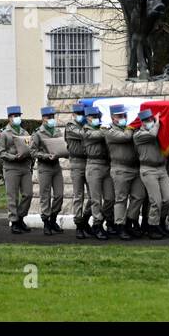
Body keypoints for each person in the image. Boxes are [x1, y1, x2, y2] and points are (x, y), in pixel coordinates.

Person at [134, 107, 169, 239]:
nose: (150, 121)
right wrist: (158, 121)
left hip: (161, 169)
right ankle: (152, 227)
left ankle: (159, 222)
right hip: (148, 170)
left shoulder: (158, 131)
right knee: (155, 201)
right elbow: (152, 134)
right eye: (146, 120)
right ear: (142, 122)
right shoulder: (139, 135)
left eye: (151, 119)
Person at [104, 103, 145, 239]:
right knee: (121, 199)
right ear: (112, 117)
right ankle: (120, 226)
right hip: (120, 169)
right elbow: (126, 137)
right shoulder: (110, 131)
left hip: (135, 168)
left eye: (124, 115)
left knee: (138, 196)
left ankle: (130, 221)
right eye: (119, 116)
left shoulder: (131, 130)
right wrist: (131, 127)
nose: (122, 118)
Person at [0, 106, 35, 234]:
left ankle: (20, 217)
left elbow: (29, 148)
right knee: (12, 196)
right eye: (15, 116)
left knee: (28, 194)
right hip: (11, 167)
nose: (17, 118)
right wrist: (13, 157)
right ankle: (14, 221)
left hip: (24, 167)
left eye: (19, 115)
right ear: (9, 118)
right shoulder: (4, 133)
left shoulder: (24, 133)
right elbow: (0, 152)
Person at [33, 106, 65, 235]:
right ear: (43, 119)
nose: (51, 119)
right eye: (49, 117)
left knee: (59, 195)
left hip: (56, 166)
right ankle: (46, 222)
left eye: (53, 117)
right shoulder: (38, 133)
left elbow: (62, 146)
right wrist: (46, 156)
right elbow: (32, 151)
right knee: (45, 195)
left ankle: (53, 218)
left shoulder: (57, 132)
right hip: (45, 167)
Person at [83, 106, 114, 240]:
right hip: (93, 165)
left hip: (106, 165)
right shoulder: (86, 130)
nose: (96, 119)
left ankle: (100, 220)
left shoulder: (102, 129)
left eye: (98, 117)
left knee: (110, 198)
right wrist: (108, 128)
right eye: (94, 117)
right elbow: (98, 135)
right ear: (88, 118)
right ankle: (97, 224)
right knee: (95, 199)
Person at [65, 103, 90, 237]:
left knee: (94, 196)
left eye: (83, 114)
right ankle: (79, 225)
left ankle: (85, 219)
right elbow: (84, 135)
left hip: (89, 161)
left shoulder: (85, 126)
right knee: (78, 195)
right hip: (76, 162)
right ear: (73, 115)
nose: (81, 116)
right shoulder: (70, 126)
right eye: (78, 114)